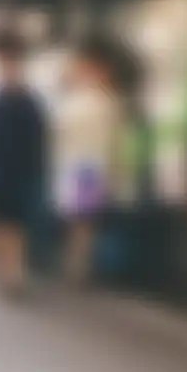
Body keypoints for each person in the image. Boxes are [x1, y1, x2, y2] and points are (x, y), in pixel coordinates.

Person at [0, 26, 49, 297]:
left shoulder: (27, 101)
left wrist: (36, 172)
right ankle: (7, 270)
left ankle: (13, 273)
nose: (7, 67)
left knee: (14, 226)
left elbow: (38, 141)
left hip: (17, 172)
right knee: (0, 225)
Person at [53, 33, 126, 288]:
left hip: (86, 168)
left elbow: (62, 129)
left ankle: (76, 267)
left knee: (82, 222)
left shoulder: (94, 101)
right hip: (84, 167)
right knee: (82, 222)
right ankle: (77, 265)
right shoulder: (103, 101)